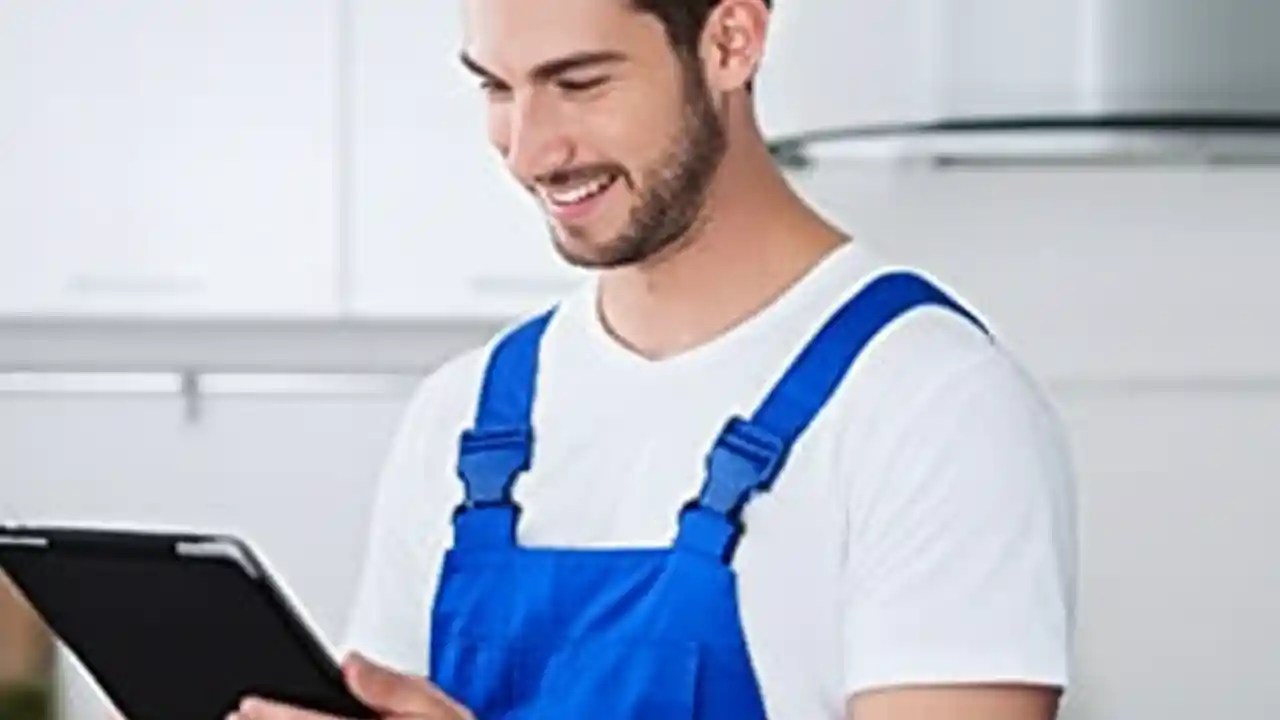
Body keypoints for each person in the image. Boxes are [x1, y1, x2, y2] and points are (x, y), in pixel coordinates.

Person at [232, 0, 1076, 718]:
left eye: (579, 83)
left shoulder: (930, 403)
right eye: (497, 87)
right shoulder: (462, 413)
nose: (529, 151)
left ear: (730, 42)